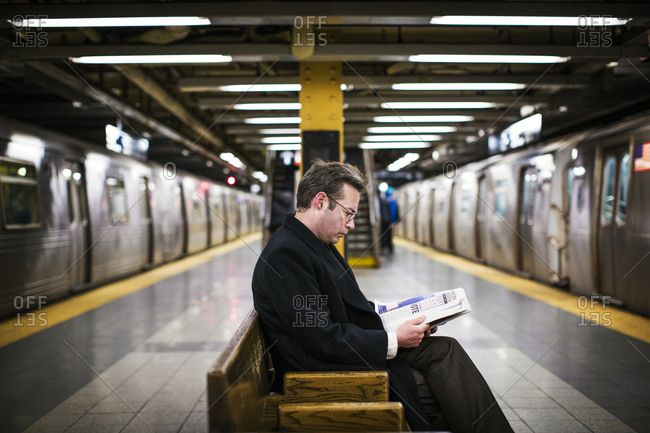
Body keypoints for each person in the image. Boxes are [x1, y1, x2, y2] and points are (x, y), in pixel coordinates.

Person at [252, 160, 513, 432]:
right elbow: (320, 337)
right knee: (451, 391)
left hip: (343, 354)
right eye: (348, 214)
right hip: (324, 372)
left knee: (446, 351)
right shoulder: (287, 255)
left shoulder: (311, 243)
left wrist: (405, 316)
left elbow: (339, 307)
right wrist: (393, 339)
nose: (351, 225)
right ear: (320, 201)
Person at [379, 187, 398, 254]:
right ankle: (390, 248)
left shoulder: (382, 200)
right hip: (389, 220)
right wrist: (392, 221)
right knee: (389, 234)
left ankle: (383, 248)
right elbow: (392, 212)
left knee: (383, 234)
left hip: (383, 220)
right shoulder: (392, 201)